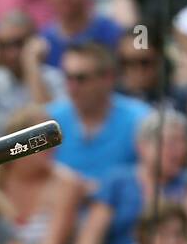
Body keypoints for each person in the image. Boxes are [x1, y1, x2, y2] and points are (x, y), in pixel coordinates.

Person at [71, 107, 187, 244]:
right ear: (142, 146)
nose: (177, 151)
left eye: (182, 143)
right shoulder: (118, 181)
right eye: (170, 143)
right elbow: (92, 231)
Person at [0, 104, 86, 244]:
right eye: (41, 139)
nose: (51, 146)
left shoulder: (66, 183)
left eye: (53, 138)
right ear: (17, 144)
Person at [46, 41, 152, 187]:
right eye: (68, 77)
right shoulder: (48, 120)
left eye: (81, 78)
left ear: (107, 78)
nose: (72, 87)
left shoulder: (140, 119)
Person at [0, 10, 62, 130]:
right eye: (3, 45)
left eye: (18, 43)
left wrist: (31, 63)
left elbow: (49, 130)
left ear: (34, 41)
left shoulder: (54, 78)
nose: (11, 53)